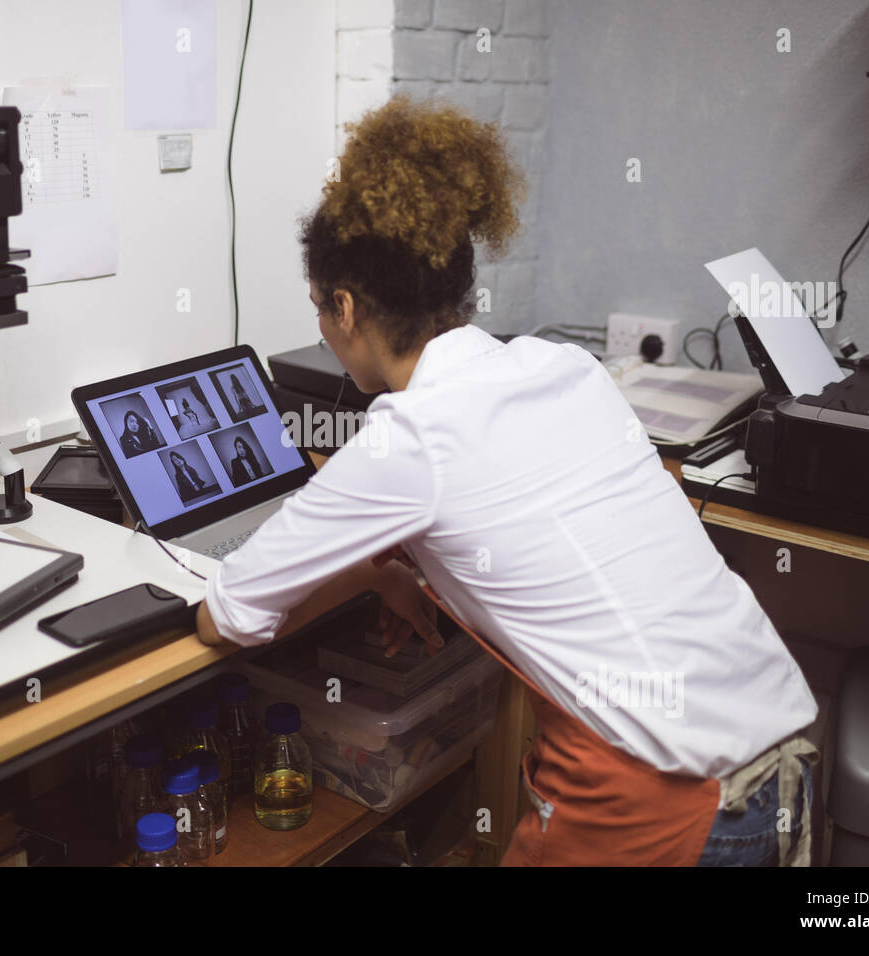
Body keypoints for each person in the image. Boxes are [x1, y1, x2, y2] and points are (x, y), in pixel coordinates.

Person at [195, 96, 819, 866]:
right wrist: (394, 573)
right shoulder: (563, 366)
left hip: (663, 799)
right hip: (778, 769)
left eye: (320, 309)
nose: (323, 329)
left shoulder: (410, 440)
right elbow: (531, 520)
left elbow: (227, 616)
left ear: (346, 309)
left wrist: (368, 567)